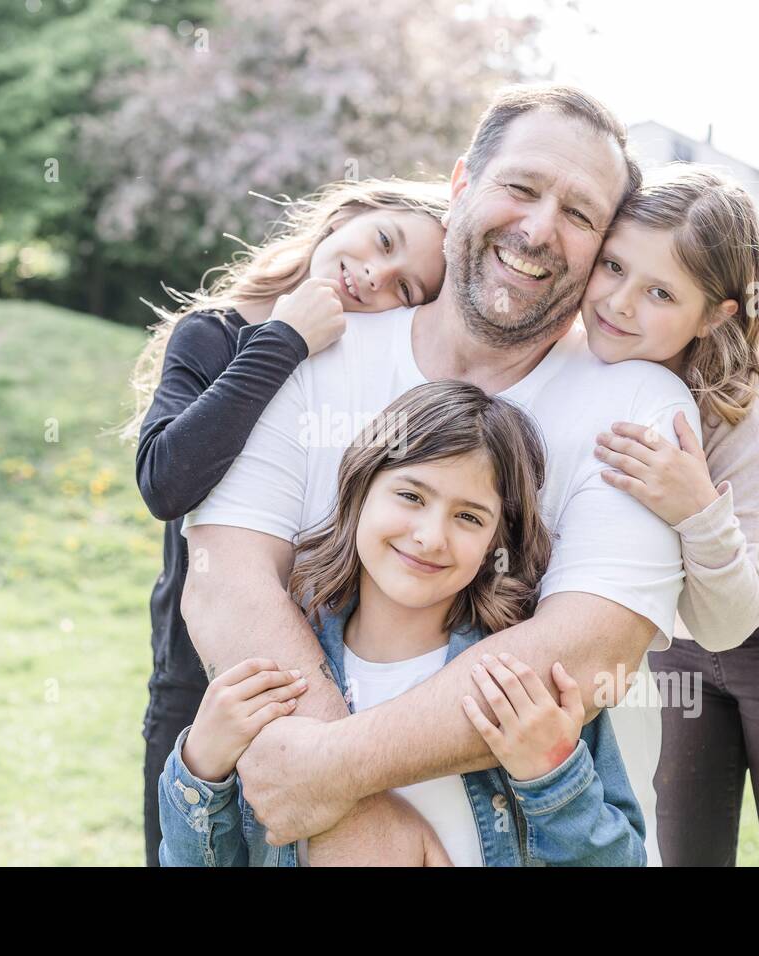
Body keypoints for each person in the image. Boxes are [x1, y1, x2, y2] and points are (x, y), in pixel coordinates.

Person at [178, 83, 699, 866]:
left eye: (580, 214)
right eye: (520, 188)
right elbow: (226, 577)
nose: (538, 228)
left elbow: (582, 655)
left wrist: (333, 773)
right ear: (460, 187)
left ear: (601, 249)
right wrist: (356, 820)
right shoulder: (318, 352)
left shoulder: (637, 406)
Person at [158, 382, 646, 866]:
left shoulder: (523, 691)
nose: (431, 537)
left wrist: (552, 778)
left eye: (469, 518)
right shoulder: (279, 675)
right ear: (361, 488)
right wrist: (201, 768)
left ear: (500, 539)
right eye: (412, 496)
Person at [122, 179, 449, 866]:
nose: (376, 275)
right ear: (346, 216)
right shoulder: (215, 333)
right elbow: (165, 479)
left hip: (327, 687)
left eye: (407, 288)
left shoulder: (375, 377)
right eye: (383, 241)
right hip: (197, 678)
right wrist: (285, 339)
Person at [583, 165, 759, 865]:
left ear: (718, 312)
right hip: (681, 645)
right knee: (684, 848)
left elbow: (733, 615)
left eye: (659, 292)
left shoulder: (754, 411)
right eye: (613, 267)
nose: (619, 303)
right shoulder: (595, 367)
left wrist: (695, 507)